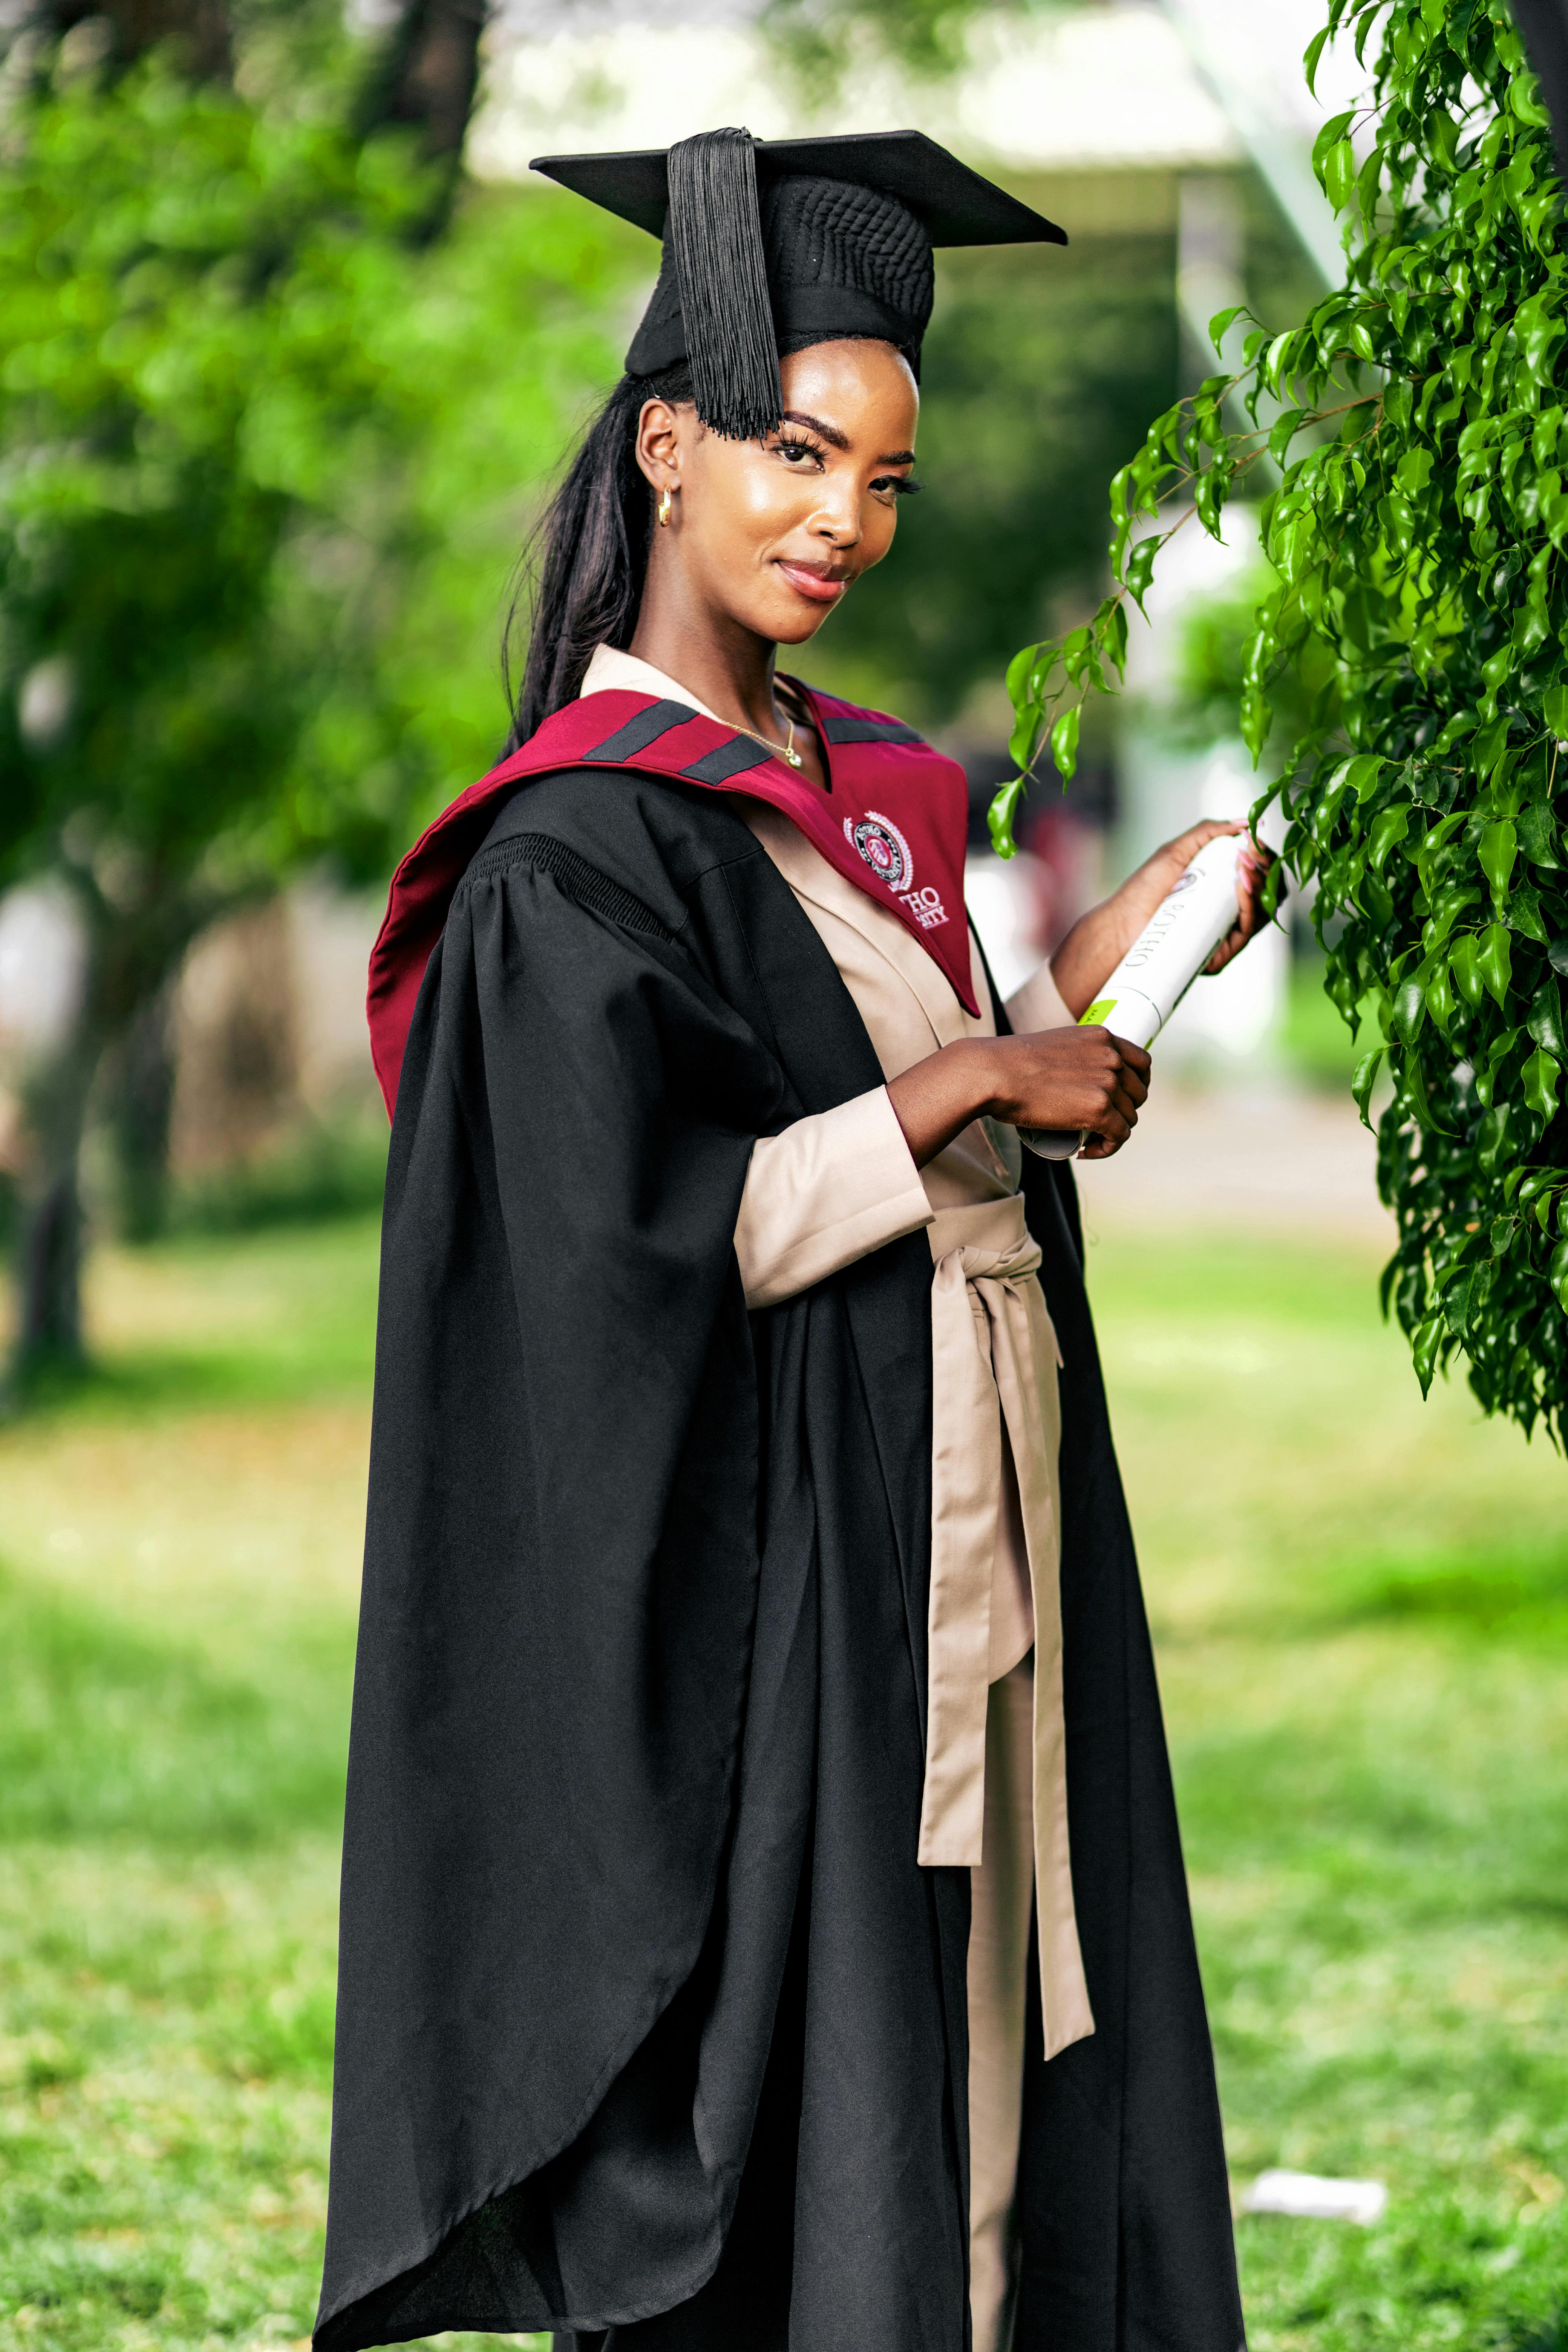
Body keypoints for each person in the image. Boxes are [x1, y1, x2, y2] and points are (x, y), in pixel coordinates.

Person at [315, 127, 1268, 2352]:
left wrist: (1083, 982)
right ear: (669, 442)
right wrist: (961, 1088)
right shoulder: (575, 850)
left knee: (1013, 2033)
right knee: (869, 2086)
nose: (842, 516)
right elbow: (640, 1231)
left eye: (885, 482)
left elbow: (915, 1098)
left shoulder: (881, 798)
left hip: (988, 1511)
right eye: (793, 451)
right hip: (810, 1580)